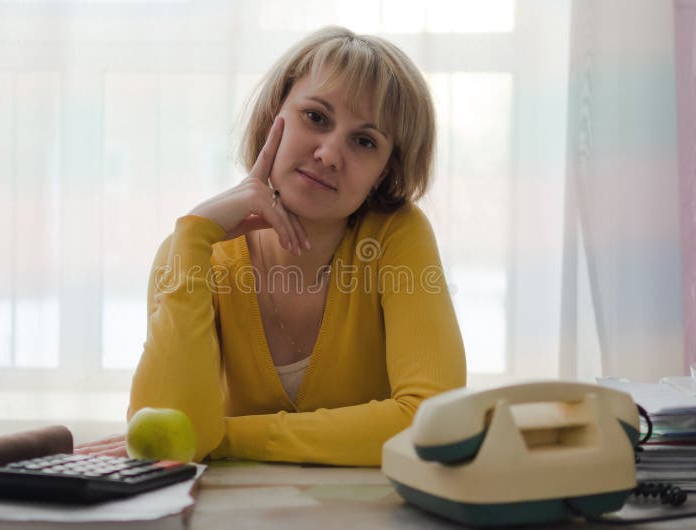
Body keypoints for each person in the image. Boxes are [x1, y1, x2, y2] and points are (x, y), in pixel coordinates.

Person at [76, 26, 466, 466]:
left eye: (364, 141)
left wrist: (223, 437)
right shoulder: (191, 249)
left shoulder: (397, 236)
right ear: (271, 118)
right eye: (316, 117)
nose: (329, 154)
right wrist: (193, 238)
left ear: (384, 173)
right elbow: (168, 443)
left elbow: (432, 421)